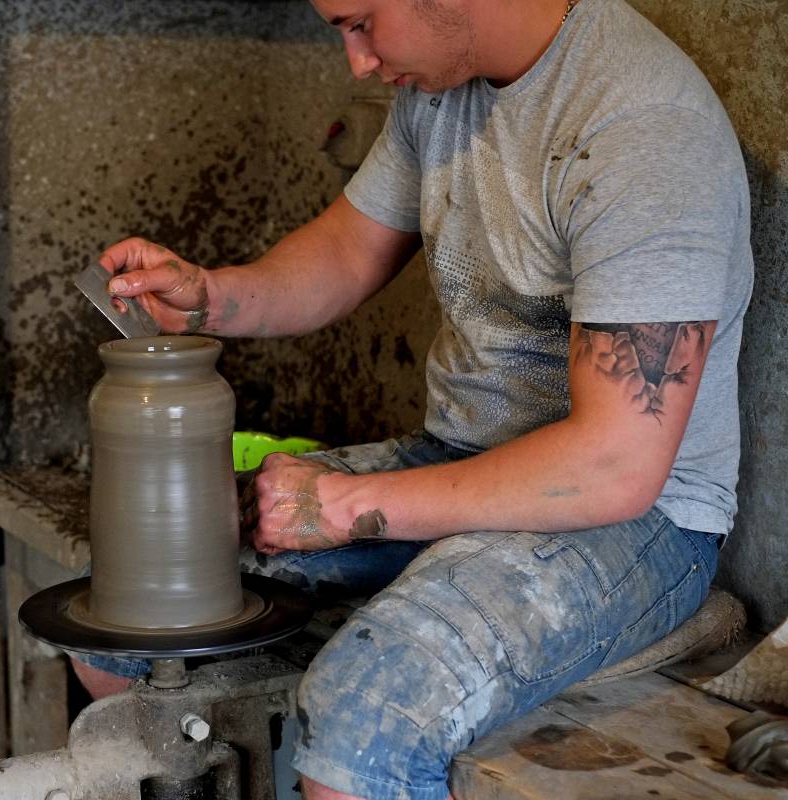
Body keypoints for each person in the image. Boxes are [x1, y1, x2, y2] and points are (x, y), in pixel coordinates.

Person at [74, 0, 753, 797]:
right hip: (462, 460)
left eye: (359, 23)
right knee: (124, 614)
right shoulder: (442, 88)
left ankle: (660, 617)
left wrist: (346, 505)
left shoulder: (640, 126)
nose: (356, 61)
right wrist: (206, 298)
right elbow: (342, 254)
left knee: (363, 718)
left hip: (633, 518)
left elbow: (616, 467)